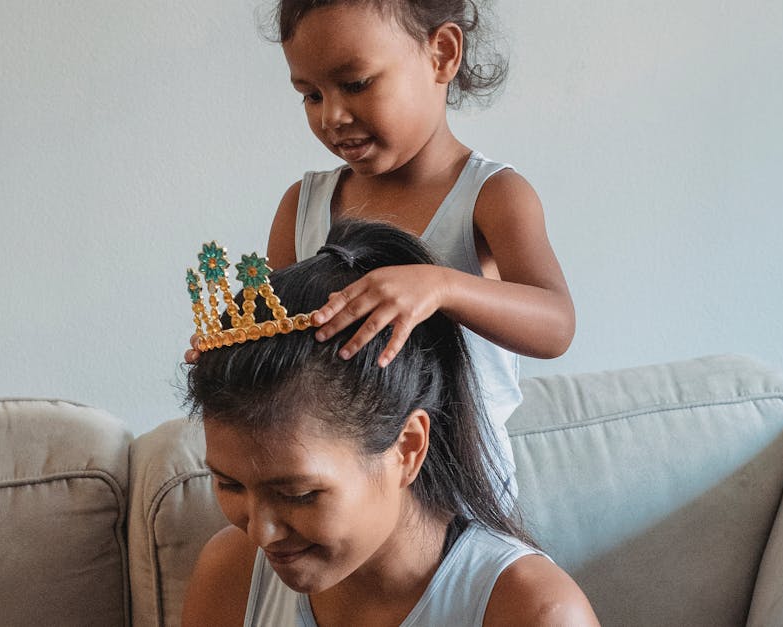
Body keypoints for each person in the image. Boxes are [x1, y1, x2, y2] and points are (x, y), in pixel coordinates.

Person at [187, 0, 576, 507]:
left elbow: (556, 325)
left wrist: (441, 286)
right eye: (310, 95)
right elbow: (281, 358)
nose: (332, 116)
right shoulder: (302, 209)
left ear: (442, 53)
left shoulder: (493, 197)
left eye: (355, 84)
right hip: (339, 495)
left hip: (461, 495)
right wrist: (232, 349)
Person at [181, 220, 597, 626]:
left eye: (299, 493)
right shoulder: (230, 576)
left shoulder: (533, 612)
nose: (261, 532)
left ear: (408, 447)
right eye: (230, 484)